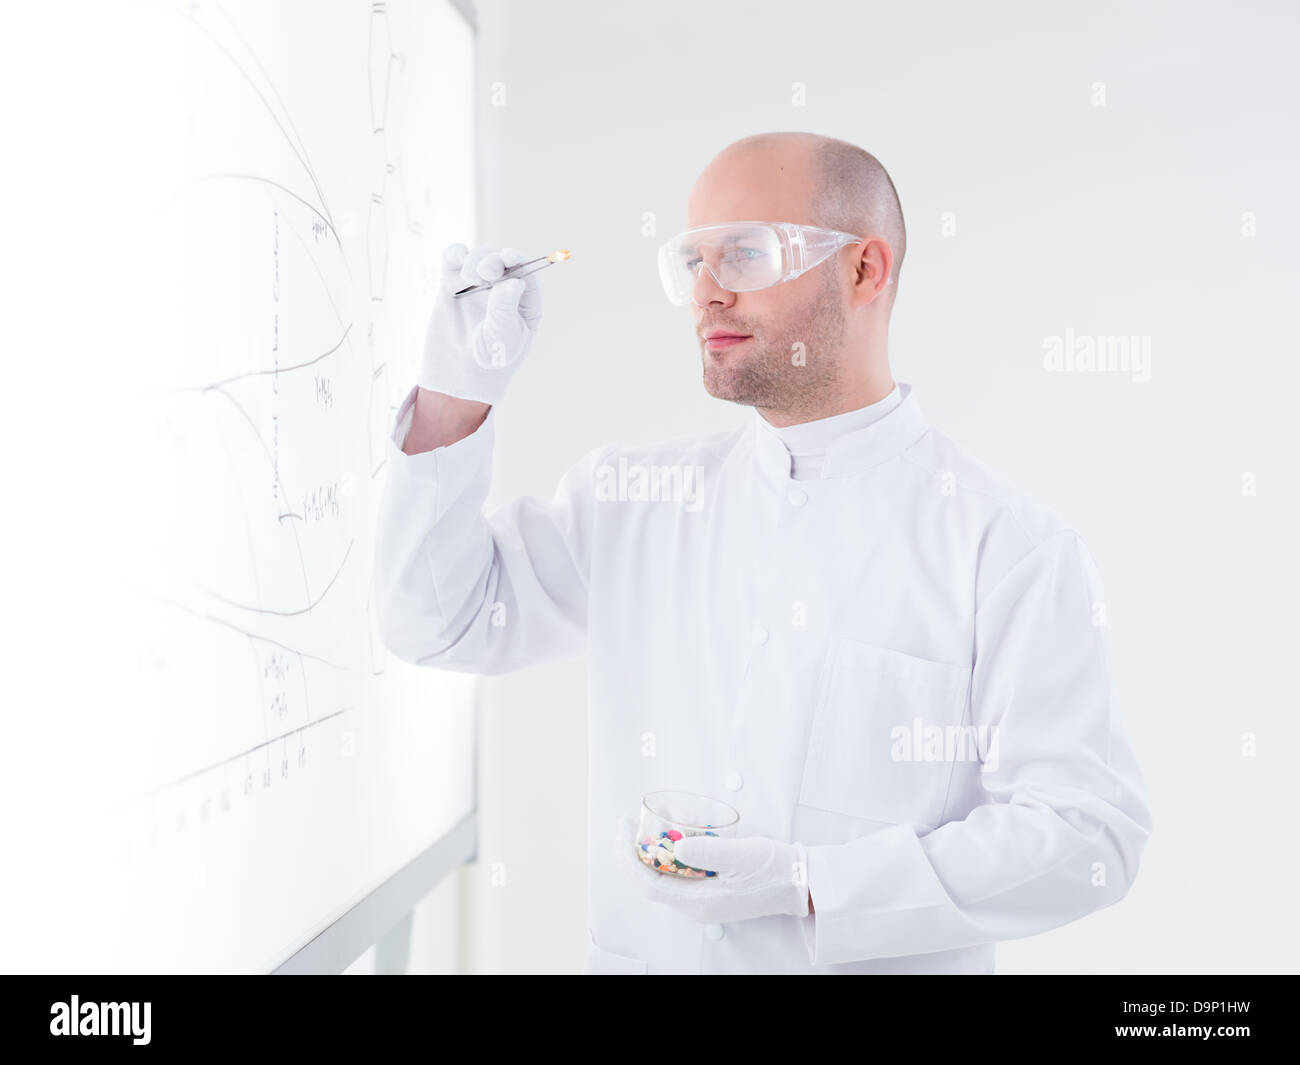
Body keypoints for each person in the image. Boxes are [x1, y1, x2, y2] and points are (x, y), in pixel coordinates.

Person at [372, 131, 1152, 974]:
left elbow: (1086, 832)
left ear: (864, 270)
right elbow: (434, 621)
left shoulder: (1007, 547)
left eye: (744, 254)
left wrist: (813, 884)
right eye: (692, 261)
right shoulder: (632, 502)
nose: (707, 292)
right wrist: (455, 394)